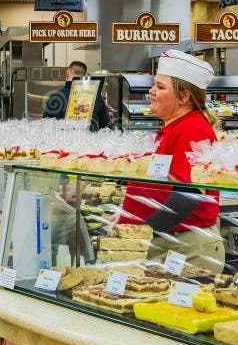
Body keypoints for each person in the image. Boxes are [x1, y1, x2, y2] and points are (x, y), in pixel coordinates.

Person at [120, 50, 225, 273]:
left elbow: (190, 196)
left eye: (160, 87)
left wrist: (139, 228)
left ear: (184, 97)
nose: (151, 91)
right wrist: (128, 216)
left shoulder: (192, 129)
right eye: (154, 85)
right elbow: (165, 184)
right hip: (170, 240)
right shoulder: (174, 128)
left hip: (186, 246)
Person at [43, 61, 110, 131]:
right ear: (84, 76)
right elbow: (107, 128)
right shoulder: (96, 96)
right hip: (88, 137)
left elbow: (45, 125)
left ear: (67, 74)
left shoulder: (55, 96)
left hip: (61, 137)